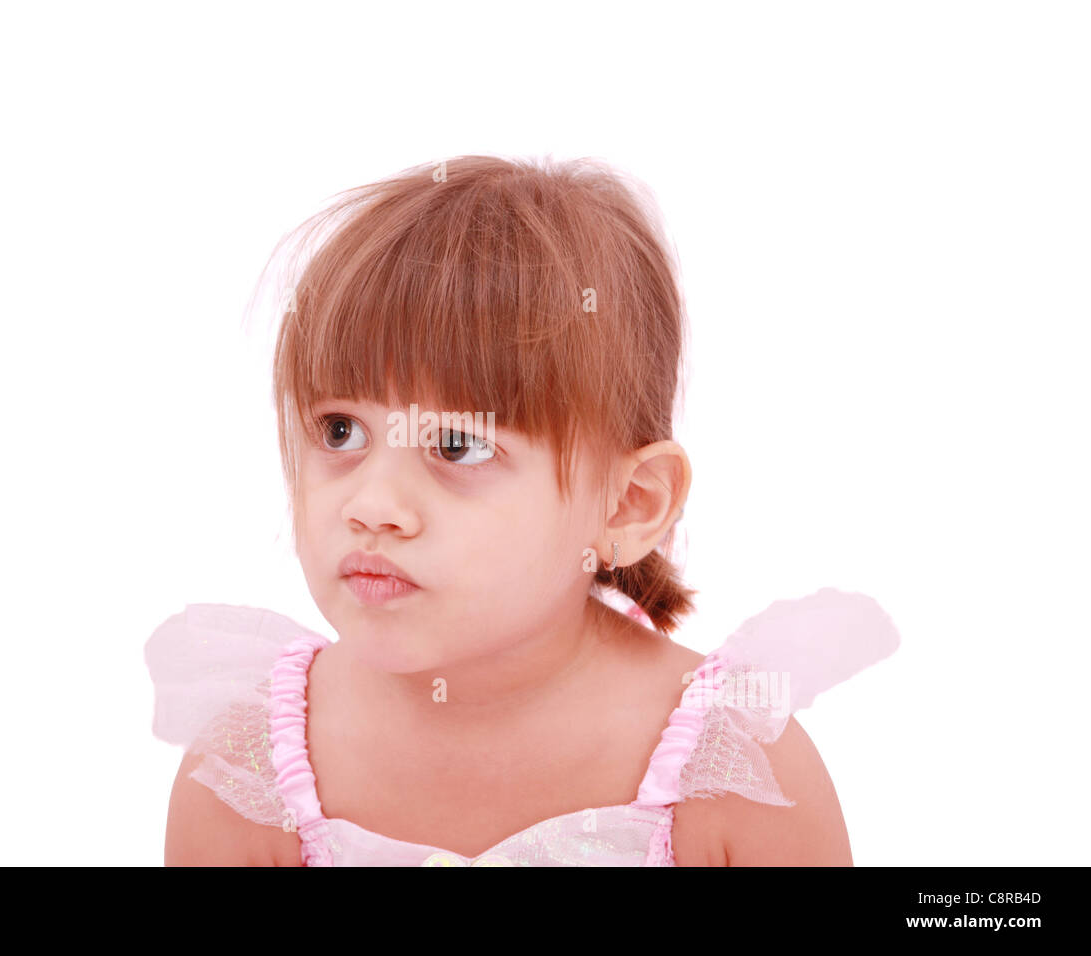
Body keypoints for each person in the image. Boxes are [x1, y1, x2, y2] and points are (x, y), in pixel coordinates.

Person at [145, 155, 900, 866]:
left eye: (458, 446)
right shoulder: (251, 772)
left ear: (629, 506)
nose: (373, 506)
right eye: (340, 431)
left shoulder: (735, 774)